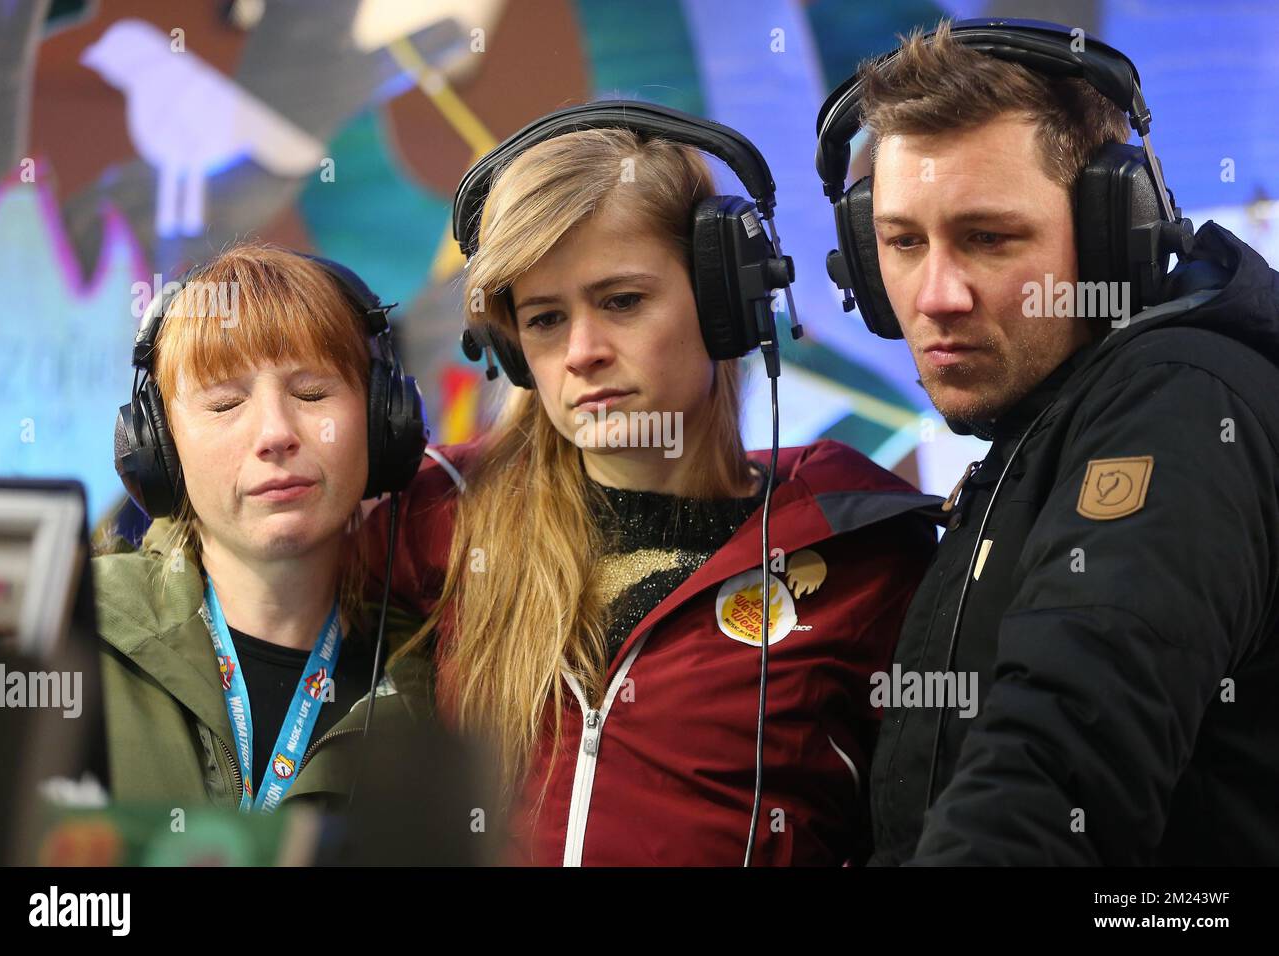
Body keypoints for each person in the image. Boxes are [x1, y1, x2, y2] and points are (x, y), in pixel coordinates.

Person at [361, 104, 939, 865]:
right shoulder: (439, 508)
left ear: (726, 299)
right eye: (543, 319)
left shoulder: (864, 547)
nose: (583, 352)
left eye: (622, 301)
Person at [815, 18, 1279, 864]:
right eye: (903, 243)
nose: (936, 294)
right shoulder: (1043, 430)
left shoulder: (1178, 408)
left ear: (1115, 233)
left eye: (989, 238)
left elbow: (1054, 771)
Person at [96, 244, 428, 813]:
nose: (275, 432)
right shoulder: (64, 633)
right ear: (160, 448)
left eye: (311, 393)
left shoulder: (437, 687)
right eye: (225, 404)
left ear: (382, 422)